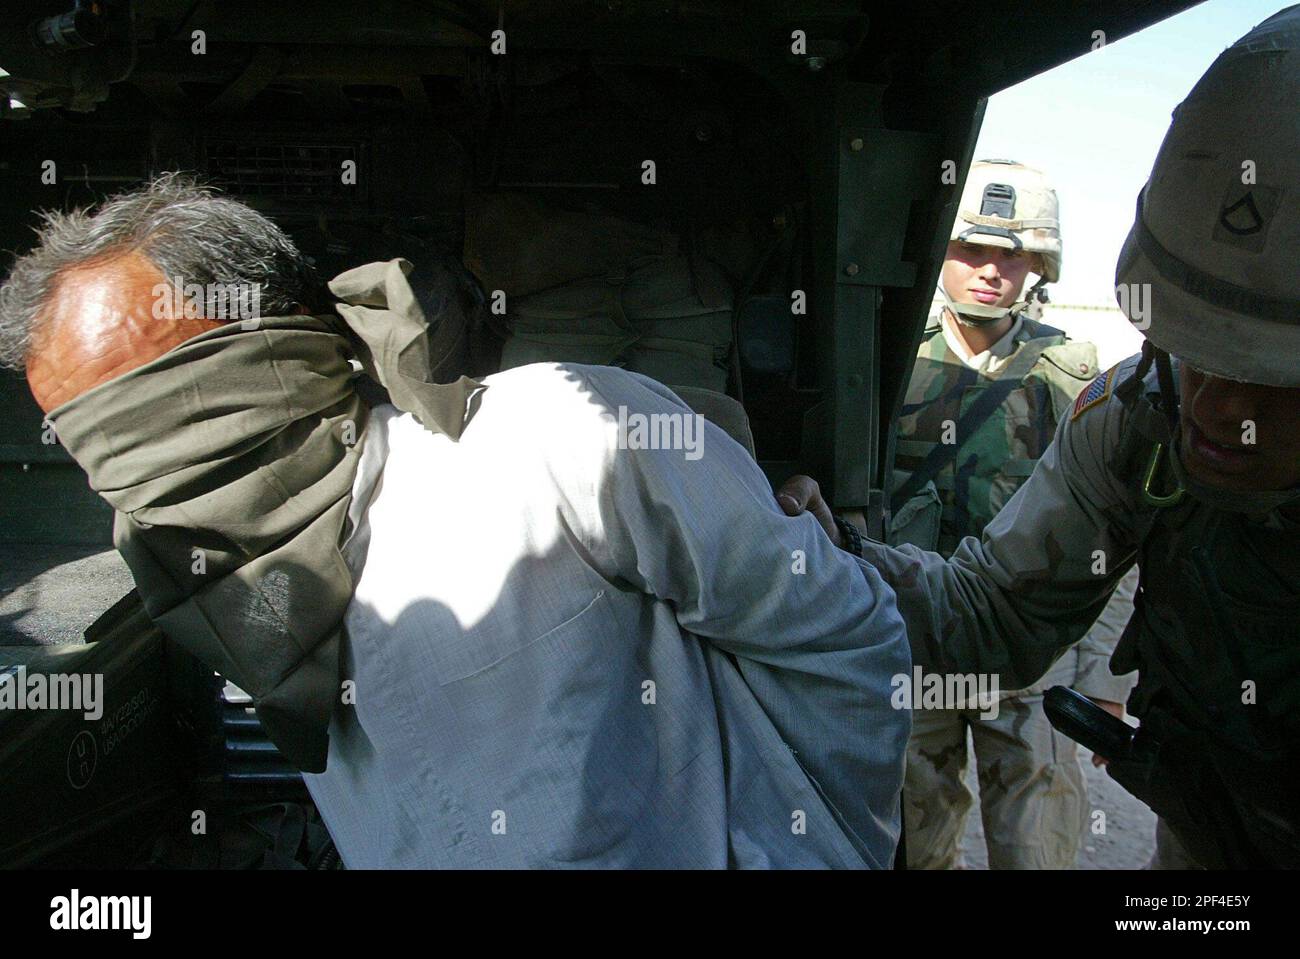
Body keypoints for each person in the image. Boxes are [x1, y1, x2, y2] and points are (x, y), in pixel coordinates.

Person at [1, 174, 911, 869]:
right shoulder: (236, 606)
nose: (143, 487)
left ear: (274, 341)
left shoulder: (558, 437)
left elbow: (848, 644)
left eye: (159, 418)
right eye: (99, 451)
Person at [779, 5, 1300, 868]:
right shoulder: (1139, 415)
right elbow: (993, 611)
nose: (1212, 407)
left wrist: (1099, 679)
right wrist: (829, 554)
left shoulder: (1070, 371)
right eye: (1191, 349)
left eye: (1277, 379)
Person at [888, 159, 1137, 869]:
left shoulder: (1071, 375)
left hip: (1034, 658)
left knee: (1037, 852)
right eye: (971, 249)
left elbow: (1114, 542)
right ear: (940, 251)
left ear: (1038, 265)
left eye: (1011, 255)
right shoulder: (886, 364)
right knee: (916, 846)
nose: (990, 270)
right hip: (920, 648)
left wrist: (1104, 682)